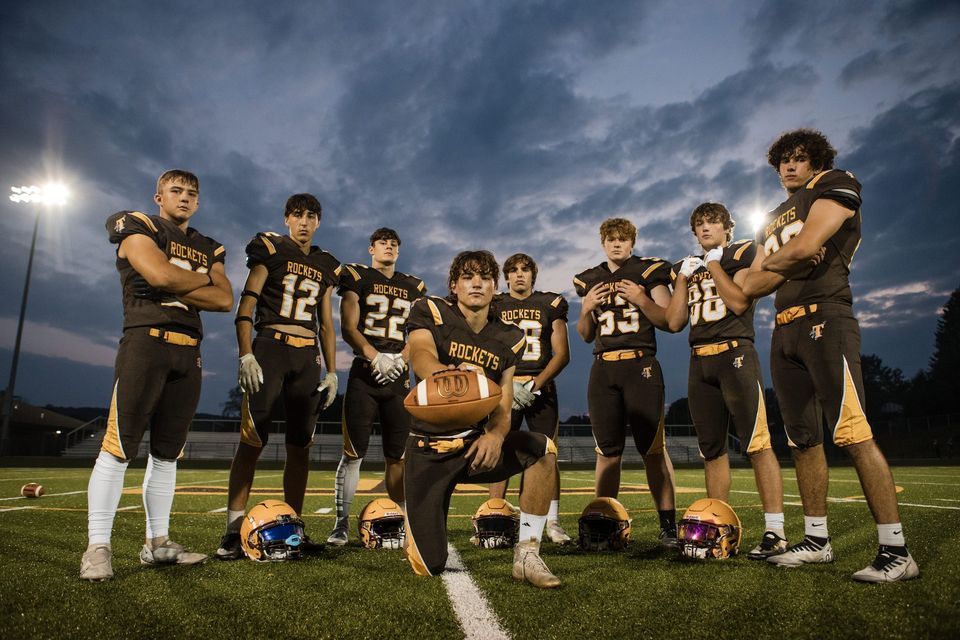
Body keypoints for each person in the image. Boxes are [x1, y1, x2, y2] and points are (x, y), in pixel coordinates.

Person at [742, 128, 919, 582]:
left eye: (799, 158)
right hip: (783, 330)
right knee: (803, 440)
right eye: (782, 159)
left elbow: (792, 253)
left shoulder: (835, 182)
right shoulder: (774, 215)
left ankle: (896, 550)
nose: (789, 166)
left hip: (826, 318)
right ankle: (817, 540)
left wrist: (780, 261)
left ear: (816, 161)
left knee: (854, 434)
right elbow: (750, 284)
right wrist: (791, 261)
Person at [81, 170, 233, 581]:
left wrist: (178, 278)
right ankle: (98, 547)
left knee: (167, 455)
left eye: (192, 194)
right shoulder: (137, 223)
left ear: (198, 202)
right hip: (145, 343)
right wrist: (197, 280)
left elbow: (224, 299)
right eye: (176, 191)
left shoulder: (208, 244)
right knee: (118, 448)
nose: (184, 198)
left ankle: (157, 543)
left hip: (189, 353)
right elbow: (159, 275)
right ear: (159, 196)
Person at [403, 250, 561, 588]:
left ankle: (528, 553)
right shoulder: (430, 312)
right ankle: (418, 522)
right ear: (454, 285)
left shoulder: (508, 337)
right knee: (428, 565)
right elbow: (420, 355)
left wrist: (496, 435)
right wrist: (449, 377)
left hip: (475, 447)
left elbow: (504, 406)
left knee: (543, 449)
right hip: (429, 449)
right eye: (468, 276)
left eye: (485, 277)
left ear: (494, 287)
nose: (477, 283)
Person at [216, 194, 339, 560]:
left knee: (301, 445)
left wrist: (333, 371)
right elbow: (247, 305)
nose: (304, 222)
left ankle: (293, 526)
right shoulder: (270, 248)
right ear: (287, 218)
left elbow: (327, 325)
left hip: (307, 357)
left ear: (319, 222)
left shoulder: (325, 263)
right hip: (270, 347)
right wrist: (246, 353)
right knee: (252, 439)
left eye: (311, 216)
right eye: (298, 215)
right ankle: (233, 529)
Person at [665, 202, 787, 559]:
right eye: (699, 224)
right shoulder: (687, 266)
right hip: (699, 360)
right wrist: (685, 277)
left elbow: (737, 302)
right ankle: (716, 525)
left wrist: (714, 263)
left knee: (757, 443)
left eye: (712, 222)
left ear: (727, 227)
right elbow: (674, 323)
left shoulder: (744, 251)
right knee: (711, 450)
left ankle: (775, 531)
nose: (705, 228)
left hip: (735, 354)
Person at [573, 218, 678, 546]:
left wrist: (641, 299)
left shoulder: (649, 271)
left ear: (632, 243)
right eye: (611, 239)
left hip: (640, 365)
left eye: (623, 239)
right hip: (603, 369)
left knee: (652, 450)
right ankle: (603, 522)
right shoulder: (590, 279)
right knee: (607, 452)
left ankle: (668, 526)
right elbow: (586, 335)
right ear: (603, 243)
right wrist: (586, 309)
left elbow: (668, 319)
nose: (617, 244)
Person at [327, 228, 426, 546]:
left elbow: (418, 332)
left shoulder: (414, 285)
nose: (389, 247)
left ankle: (403, 518)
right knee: (353, 452)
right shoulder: (357, 275)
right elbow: (348, 324)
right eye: (383, 242)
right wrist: (374, 357)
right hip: (365, 376)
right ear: (371, 248)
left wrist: (401, 359)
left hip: (398, 376)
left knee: (397, 456)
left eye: (395, 243)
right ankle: (341, 523)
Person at [485, 253, 571, 545]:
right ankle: (493, 517)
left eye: (525, 270)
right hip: (505, 387)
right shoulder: (495, 304)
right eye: (513, 270)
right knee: (497, 451)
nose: (519, 274)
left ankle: (553, 522)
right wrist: (506, 384)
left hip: (540, 387)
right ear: (506, 276)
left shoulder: (550, 303)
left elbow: (562, 354)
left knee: (548, 454)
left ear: (534, 275)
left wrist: (534, 384)